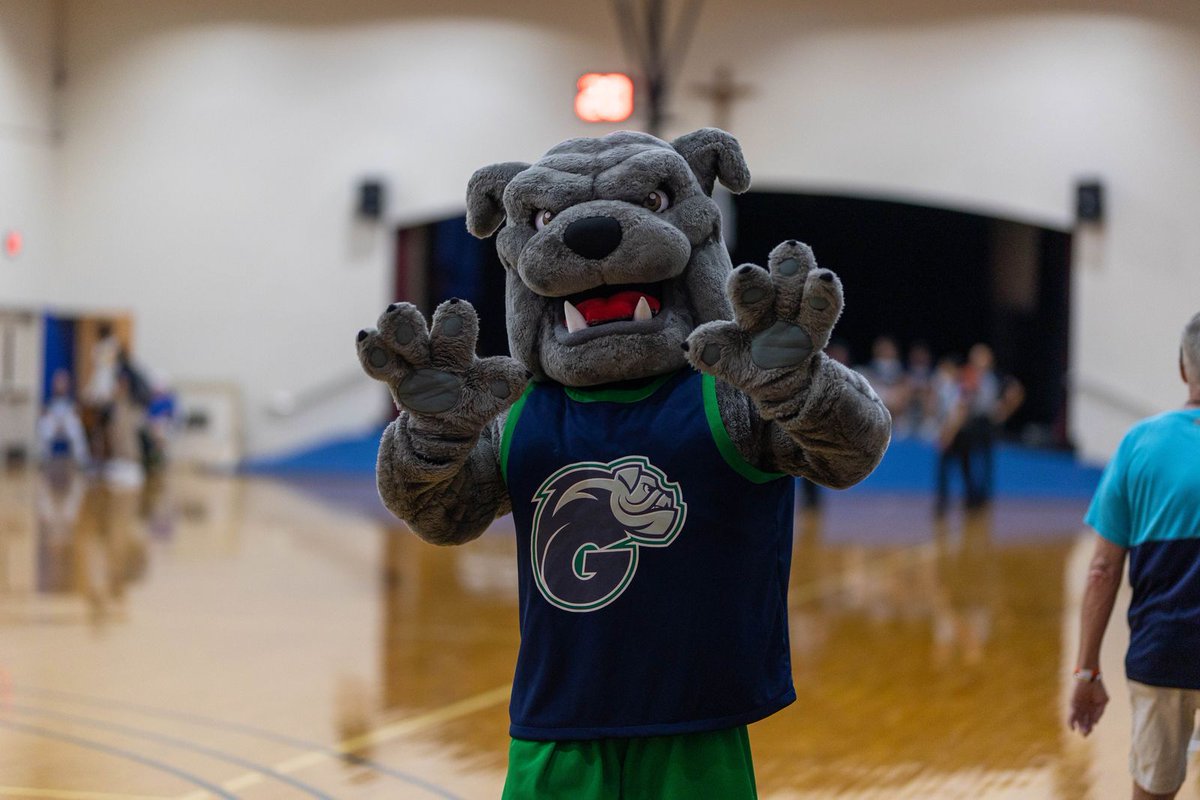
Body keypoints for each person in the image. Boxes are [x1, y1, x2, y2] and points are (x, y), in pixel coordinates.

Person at [1068, 311, 1200, 800]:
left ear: (1182, 368)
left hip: (1162, 653)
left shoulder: (1139, 444)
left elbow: (1103, 569)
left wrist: (1087, 671)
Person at [36, 369, 90, 466]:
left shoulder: (71, 399)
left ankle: (81, 460)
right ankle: (43, 458)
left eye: (63, 383)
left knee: (75, 424)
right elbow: (45, 413)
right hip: (53, 425)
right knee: (43, 424)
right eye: (58, 382)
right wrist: (55, 421)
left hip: (67, 425)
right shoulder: (48, 398)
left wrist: (65, 421)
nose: (60, 385)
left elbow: (74, 413)